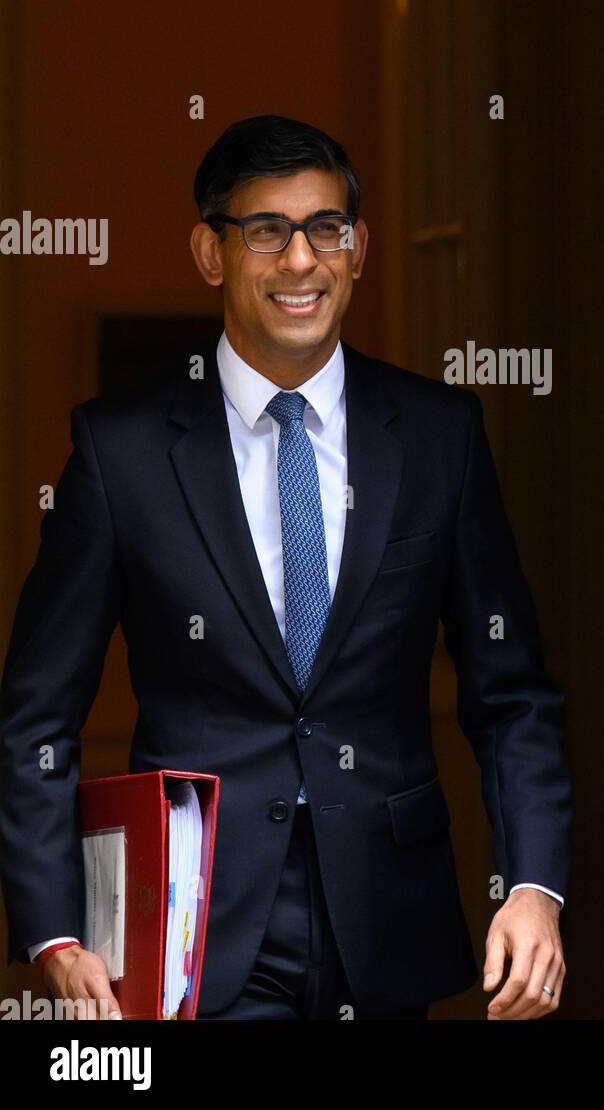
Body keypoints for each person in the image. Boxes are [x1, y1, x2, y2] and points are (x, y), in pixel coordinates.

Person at [0, 114, 572, 1020]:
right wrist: (55, 930)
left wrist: (535, 887)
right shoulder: (122, 452)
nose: (300, 261)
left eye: (325, 230)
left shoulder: (438, 435)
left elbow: (512, 696)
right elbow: (37, 710)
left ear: (358, 249)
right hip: (195, 926)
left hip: (388, 915)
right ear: (209, 252)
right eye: (266, 230)